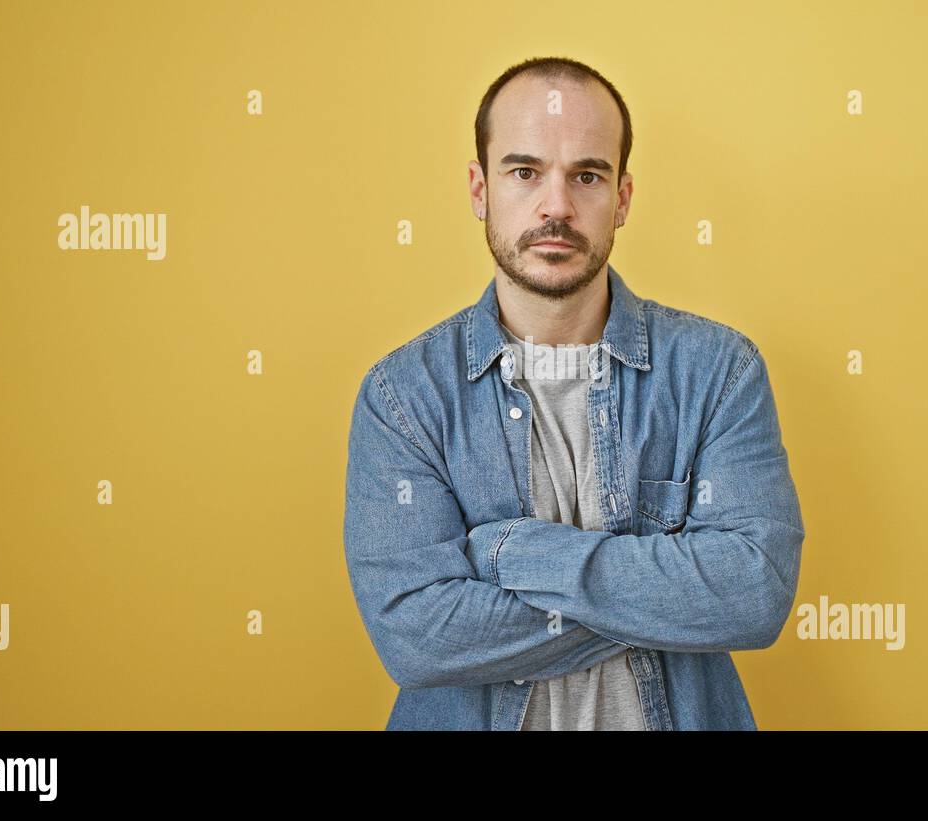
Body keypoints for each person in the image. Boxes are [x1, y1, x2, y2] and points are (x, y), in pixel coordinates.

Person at [343, 56, 805, 730]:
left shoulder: (718, 371)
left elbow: (754, 593)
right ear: (480, 189)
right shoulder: (403, 396)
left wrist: (506, 554)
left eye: (586, 176)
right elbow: (417, 636)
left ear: (621, 197)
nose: (555, 205)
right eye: (524, 171)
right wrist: (666, 600)